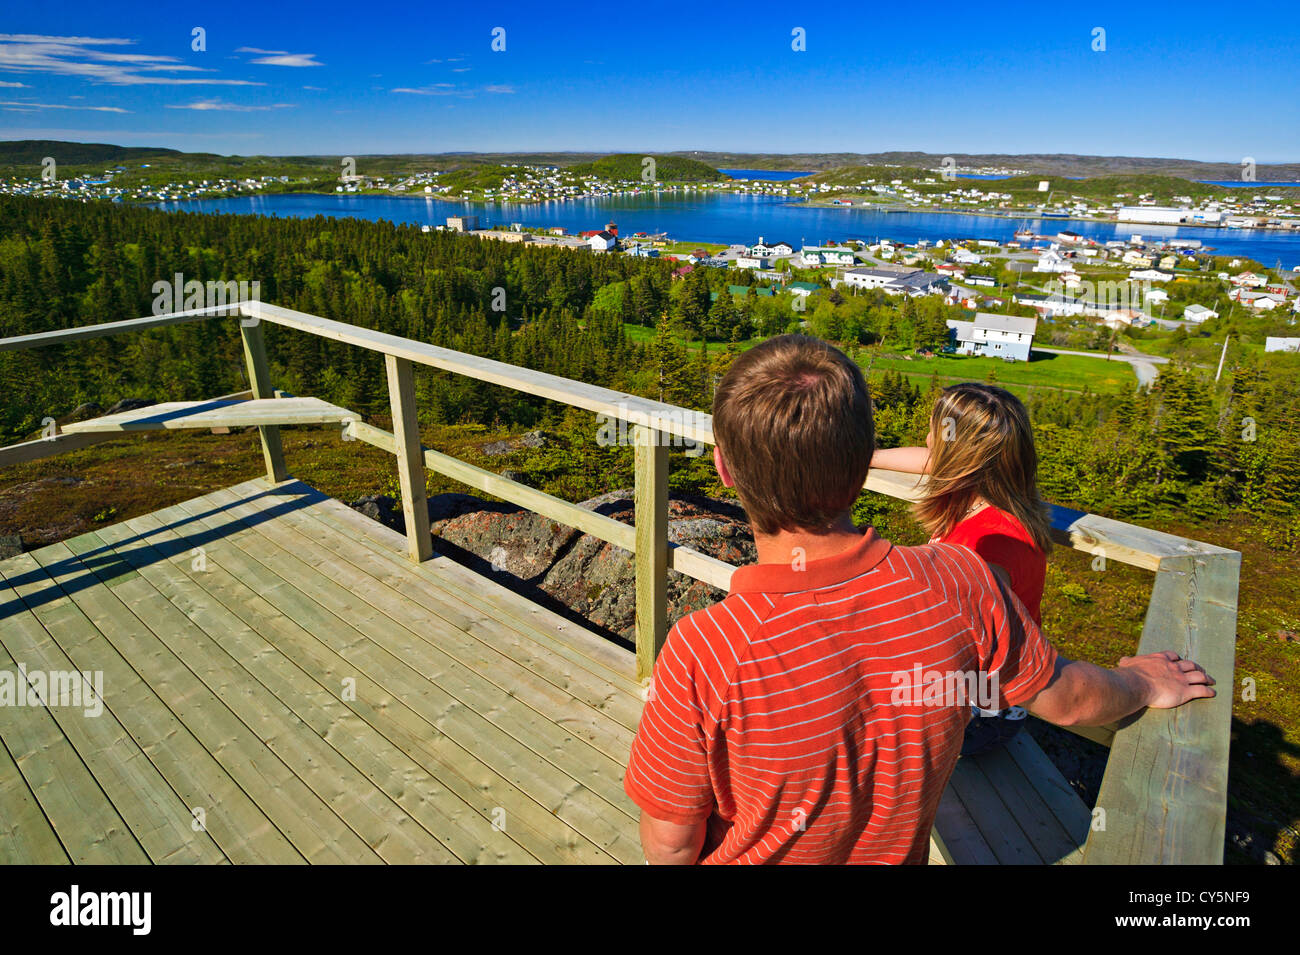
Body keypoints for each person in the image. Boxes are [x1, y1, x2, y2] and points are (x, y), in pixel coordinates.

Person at [623, 335, 1215, 865]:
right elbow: (1067, 700)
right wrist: (1142, 683)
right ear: (862, 469)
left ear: (725, 469)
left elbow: (671, 841)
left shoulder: (704, 649)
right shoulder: (962, 580)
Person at [872, 383, 1049, 755]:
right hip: (967, 690)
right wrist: (864, 457)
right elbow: (930, 459)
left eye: (934, 432)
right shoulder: (985, 494)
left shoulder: (991, 546)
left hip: (982, 714)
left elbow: (954, 643)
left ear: (962, 456)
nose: (926, 437)